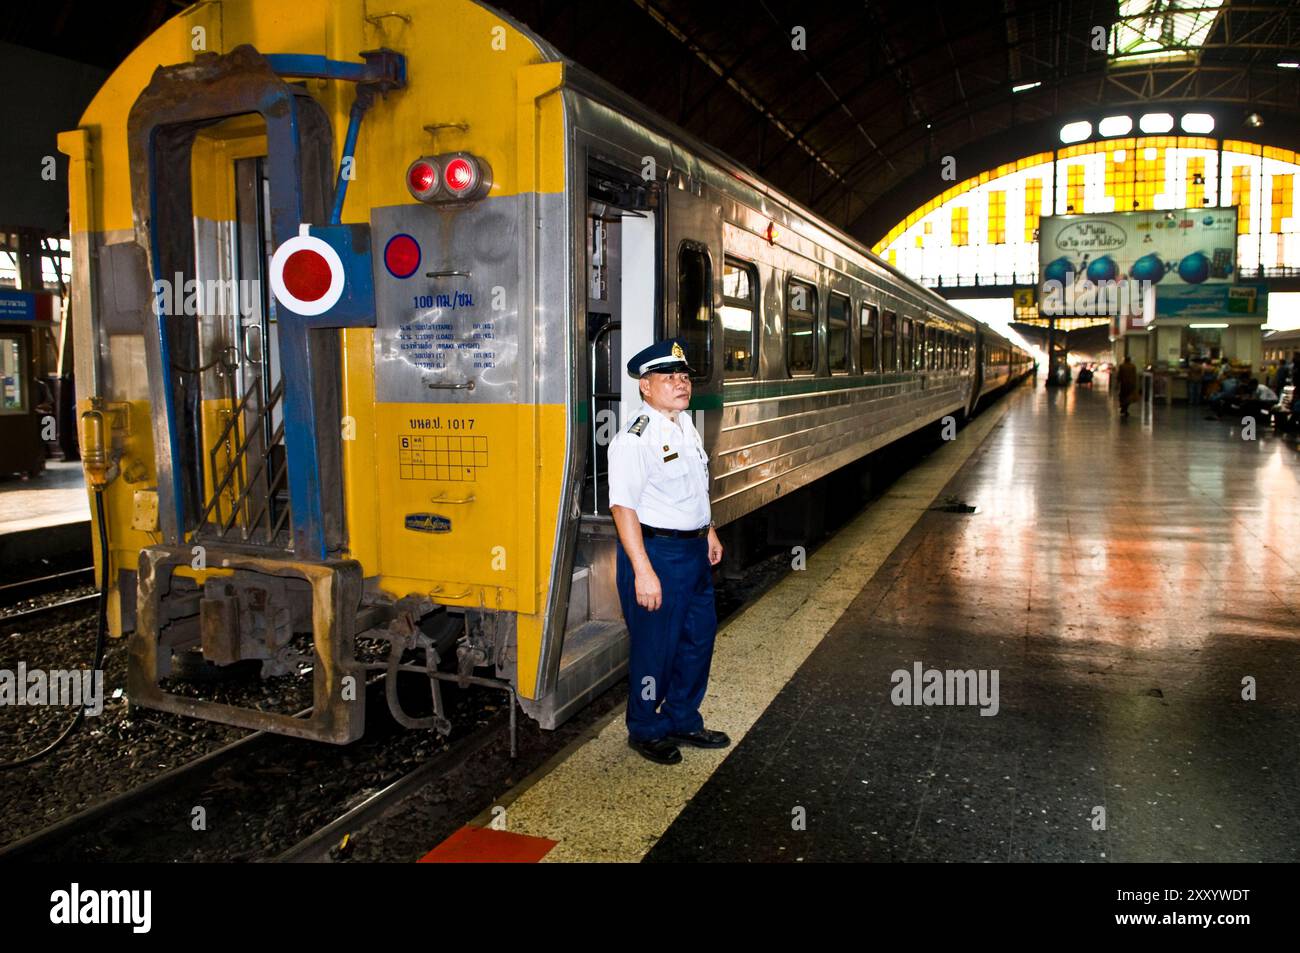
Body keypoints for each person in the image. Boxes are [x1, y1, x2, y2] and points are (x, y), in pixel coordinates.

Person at [606, 338, 729, 765]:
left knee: (697, 640)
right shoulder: (634, 439)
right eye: (669, 377)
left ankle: (682, 717)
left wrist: (708, 530)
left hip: (693, 553)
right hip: (657, 554)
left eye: (683, 376)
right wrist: (642, 571)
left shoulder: (684, 425)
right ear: (645, 386)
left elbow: (694, 489)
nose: (681, 383)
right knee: (655, 649)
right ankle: (644, 727)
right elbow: (623, 508)